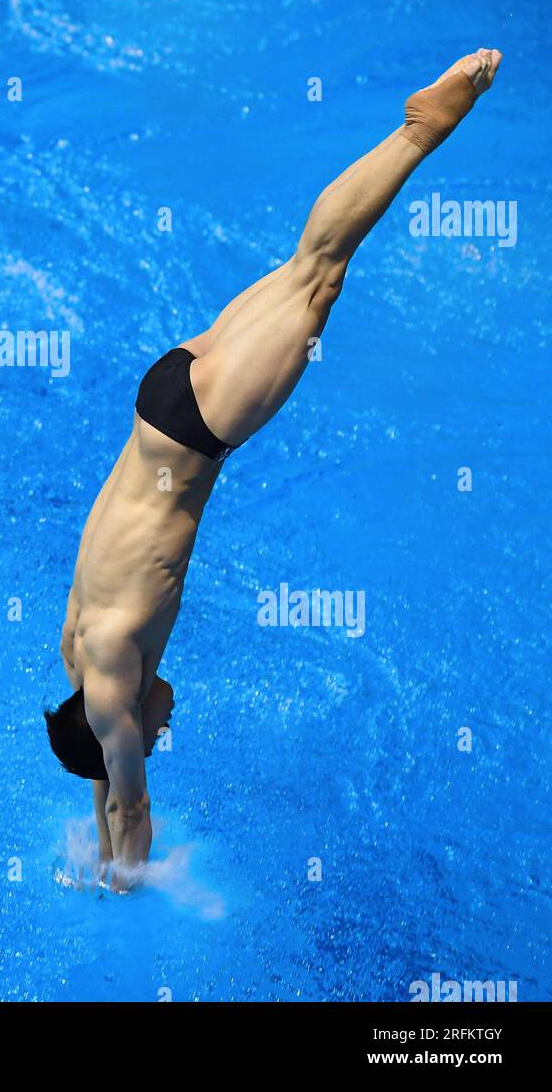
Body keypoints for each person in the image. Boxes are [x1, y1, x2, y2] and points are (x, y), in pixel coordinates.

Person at [45, 49, 503, 889]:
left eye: (150, 738)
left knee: (318, 276)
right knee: (303, 270)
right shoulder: (81, 659)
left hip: (196, 432)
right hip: (163, 403)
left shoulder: (110, 676)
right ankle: (414, 132)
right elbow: (106, 785)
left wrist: (121, 889)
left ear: (117, 728)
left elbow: (129, 805)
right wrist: (97, 830)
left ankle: (418, 130)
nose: (163, 729)